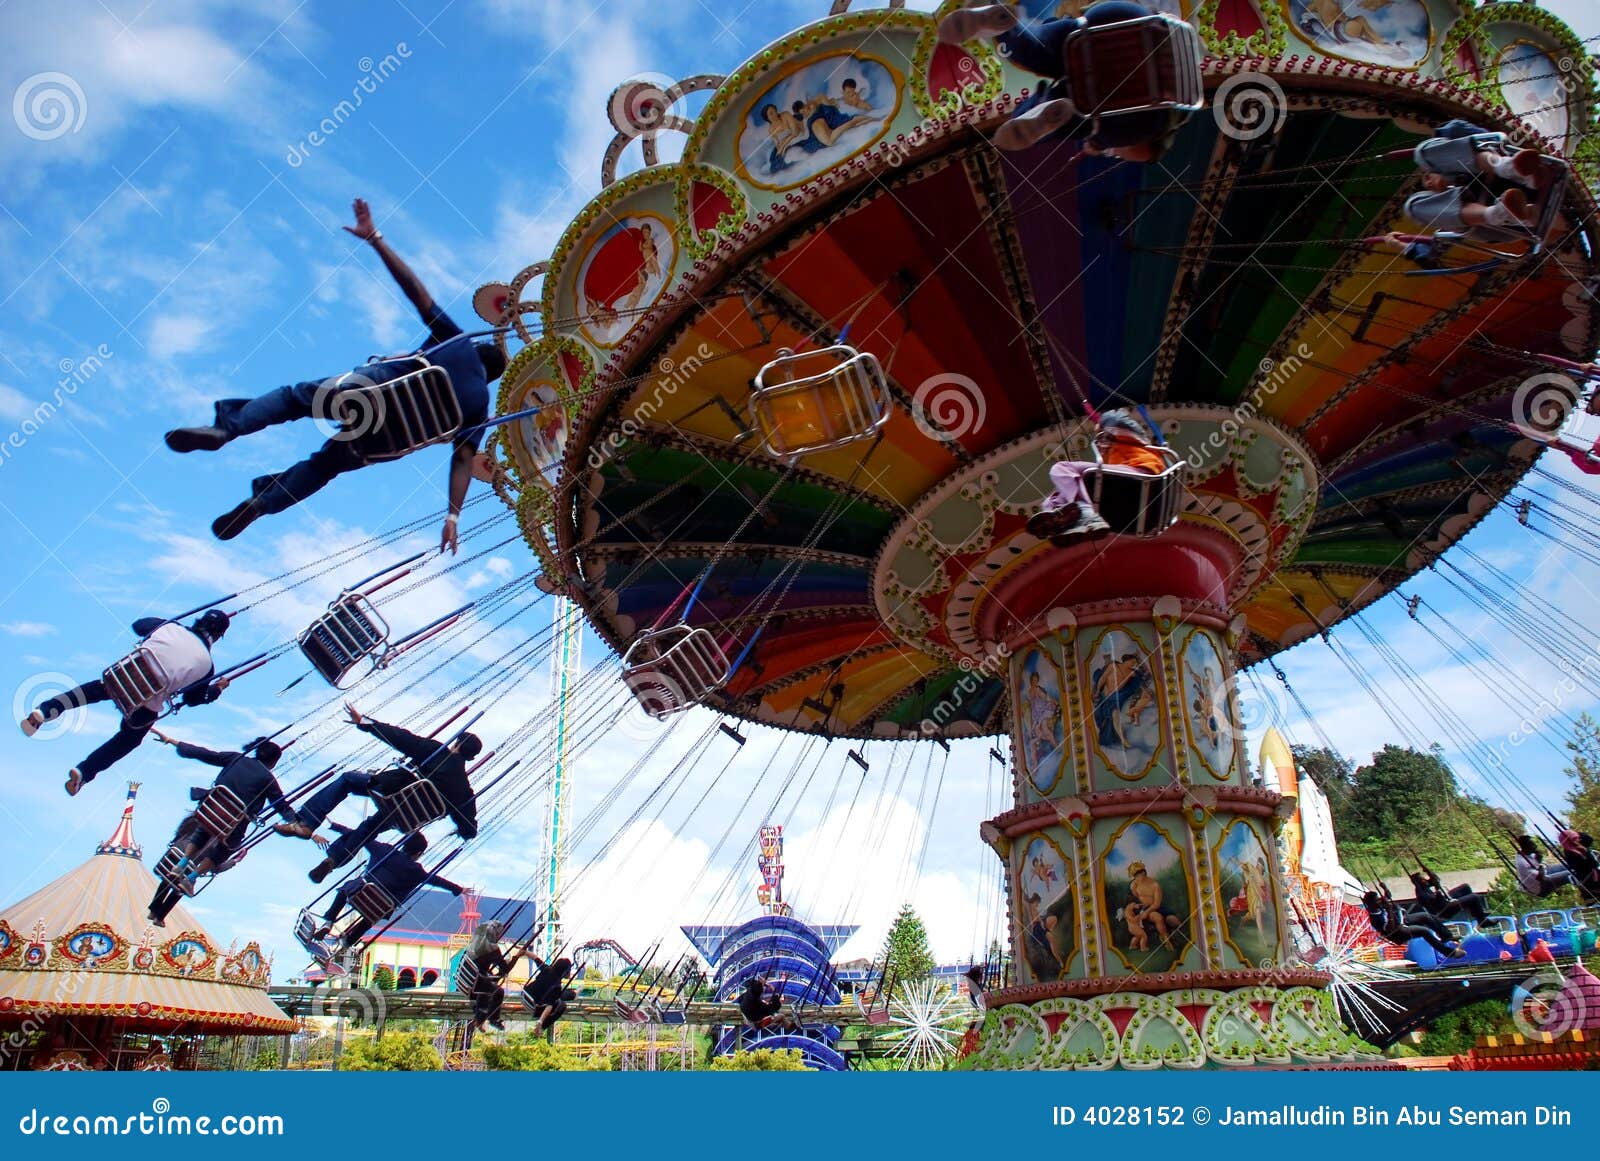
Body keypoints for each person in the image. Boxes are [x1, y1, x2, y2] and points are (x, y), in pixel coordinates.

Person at [163, 198, 507, 549]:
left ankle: (226, 428)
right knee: (324, 467)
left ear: (478, 351)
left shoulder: (459, 344)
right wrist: (453, 517)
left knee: (291, 399)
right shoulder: (478, 407)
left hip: (368, 393)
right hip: (381, 443)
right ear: (491, 379)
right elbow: (463, 461)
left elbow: (419, 295)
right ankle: (263, 503)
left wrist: (376, 239)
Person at [20, 610, 232, 796]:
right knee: (129, 739)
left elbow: (139, 625)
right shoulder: (207, 665)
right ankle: (85, 771)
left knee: (94, 690)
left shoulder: (169, 626)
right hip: (145, 703)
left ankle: (46, 710)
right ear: (219, 636)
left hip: (121, 677)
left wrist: (169, 624)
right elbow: (193, 699)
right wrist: (216, 690)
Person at [937, 2, 1189, 159]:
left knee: (1037, 44)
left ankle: (1006, 27)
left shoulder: (1175, 104)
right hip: (1120, 99)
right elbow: (1138, 151)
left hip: (1118, 24)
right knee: (1082, 122)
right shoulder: (1153, 126)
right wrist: (1099, 145)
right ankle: (1050, 113)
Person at [280, 702, 481, 880]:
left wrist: (367, 724)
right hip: (407, 817)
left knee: (348, 780)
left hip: (390, 792)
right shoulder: (464, 790)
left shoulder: (437, 752)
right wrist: (461, 831)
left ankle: (308, 822)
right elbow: (469, 829)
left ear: (456, 743)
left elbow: (402, 738)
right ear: (471, 758)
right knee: (369, 828)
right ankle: (334, 860)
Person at [145, 733, 309, 925]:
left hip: (209, 812)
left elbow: (205, 754)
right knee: (227, 847)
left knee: (205, 829)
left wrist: (175, 742)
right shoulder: (268, 780)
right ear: (273, 762)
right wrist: (298, 823)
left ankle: (181, 864)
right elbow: (281, 806)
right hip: (231, 826)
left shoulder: (235, 758)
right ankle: (191, 876)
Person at [312, 829, 464, 953]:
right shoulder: (416, 870)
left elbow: (360, 834)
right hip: (379, 908)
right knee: (372, 916)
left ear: (404, 844)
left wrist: (335, 826)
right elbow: (436, 880)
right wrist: (458, 889)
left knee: (345, 889)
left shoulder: (384, 850)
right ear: (418, 854)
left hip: (359, 893)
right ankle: (348, 941)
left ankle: (329, 920)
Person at [1028, 410, 1167, 543]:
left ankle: (1083, 512)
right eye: (1099, 440)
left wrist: (1103, 423)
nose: (1100, 444)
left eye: (1102, 438)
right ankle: (1057, 518)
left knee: (1061, 468)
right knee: (1054, 499)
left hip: (1141, 476)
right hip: (1135, 510)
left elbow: (1115, 419)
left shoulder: (1133, 445)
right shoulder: (1118, 461)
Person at [1402, 121, 1555, 239]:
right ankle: (1499, 213)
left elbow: (1496, 141)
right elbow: (1444, 238)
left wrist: (1449, 176)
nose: (1429, 182)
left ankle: (1507, 167)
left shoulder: (1452, 132)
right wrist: (1448, 185)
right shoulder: (1429, 205)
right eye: (1427, 185)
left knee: (1421, 153)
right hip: (1497, 220)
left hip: (1508, 168)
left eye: (1427, 177)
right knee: (1411, 208)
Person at [1362, 888, 1462, 958]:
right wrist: (1389, 911)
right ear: (1371, 904)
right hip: (1397, 933)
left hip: (1401, 920)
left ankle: (1446, 936)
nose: (1379, 901)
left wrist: (1384, 889)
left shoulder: (1378, 907)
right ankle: (1448, 952)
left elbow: (1387, 896)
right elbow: (1390, 928)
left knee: (1425, 916)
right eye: (1377, 900)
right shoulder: (1375, 918)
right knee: (1424, 931)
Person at [463, 920, 514, 1032]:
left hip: (466, 977)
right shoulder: (493, 949)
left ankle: (479, 1018)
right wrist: (513, 960)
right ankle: (493, 1019)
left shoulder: (475, 940)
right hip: (476, 982)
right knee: (498, 991)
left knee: (487, 981)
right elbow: (504, 969)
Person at [1408, 867, 1490, 926]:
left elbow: (1436, 880)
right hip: (1444, 910)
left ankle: (1476, 913)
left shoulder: (1424, 886)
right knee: (1474, 897)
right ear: (1419, 883)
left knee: (1465, 887)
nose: (1425, 880)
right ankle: (1482, 920)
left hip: (1444, 902)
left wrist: (1428, 871)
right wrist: (1437, 889)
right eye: (1423, 879)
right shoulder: (1421, 894)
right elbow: (1438, 903)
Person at [523, 955, 576, 1033]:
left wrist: (525, 952)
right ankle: (542, 1028)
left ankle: (573, 994)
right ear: (565, 972)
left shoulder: (547, 969)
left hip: (524, 997)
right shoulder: (557, 986)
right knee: (562, 1005)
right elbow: (549, 1006)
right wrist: (540, 1022)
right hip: (533, 1007)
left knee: (559, 995)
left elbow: (536, 959)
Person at [1557, 830, 1600, 902]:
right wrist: (1586, 852)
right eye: (1575, 838)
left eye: (1578, 837)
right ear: (1569, 841)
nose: (1579, 839)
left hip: (1593, 875)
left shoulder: (1578, 847)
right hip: (1592, 880)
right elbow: (1592, 865)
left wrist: (1577, 834)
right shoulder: (1572, 853)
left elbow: (1589, 839)